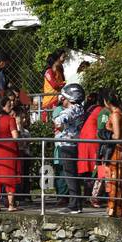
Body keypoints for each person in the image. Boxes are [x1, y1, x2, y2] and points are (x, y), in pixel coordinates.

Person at [54, 82, 87, 212]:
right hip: (75, 143)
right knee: (73, 174)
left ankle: (74, 205)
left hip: (67, 144)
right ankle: (77, 203)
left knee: (70, 175)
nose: (62, 100)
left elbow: (59, 121)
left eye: (64, 97)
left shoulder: (71, 110)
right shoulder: (80, 109)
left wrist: (59, 123)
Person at [97, 89, 122, 218]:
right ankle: (118, 209)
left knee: (113, 180)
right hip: (121, 150)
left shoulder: (115, 115)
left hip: (115, 150)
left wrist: (104, 133)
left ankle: (112, 209)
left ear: (107, 102)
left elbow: (117, 135)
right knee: (118, 180)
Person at [0, 95, 21, 211]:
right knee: (10, 178)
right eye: (9, 105)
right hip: (9, 151)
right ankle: (11, 205)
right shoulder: (10, 119)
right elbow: (15, 136)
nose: (11, 106)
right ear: (3, 106)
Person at [41, 51, 66, 121]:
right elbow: (54, 85)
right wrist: (64, 83)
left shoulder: (59, 71)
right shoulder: (48, 71)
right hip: (49, 101)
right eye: (59, 59)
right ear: (55, 60)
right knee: (48, 123)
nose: (61, 60)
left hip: (57, 99)